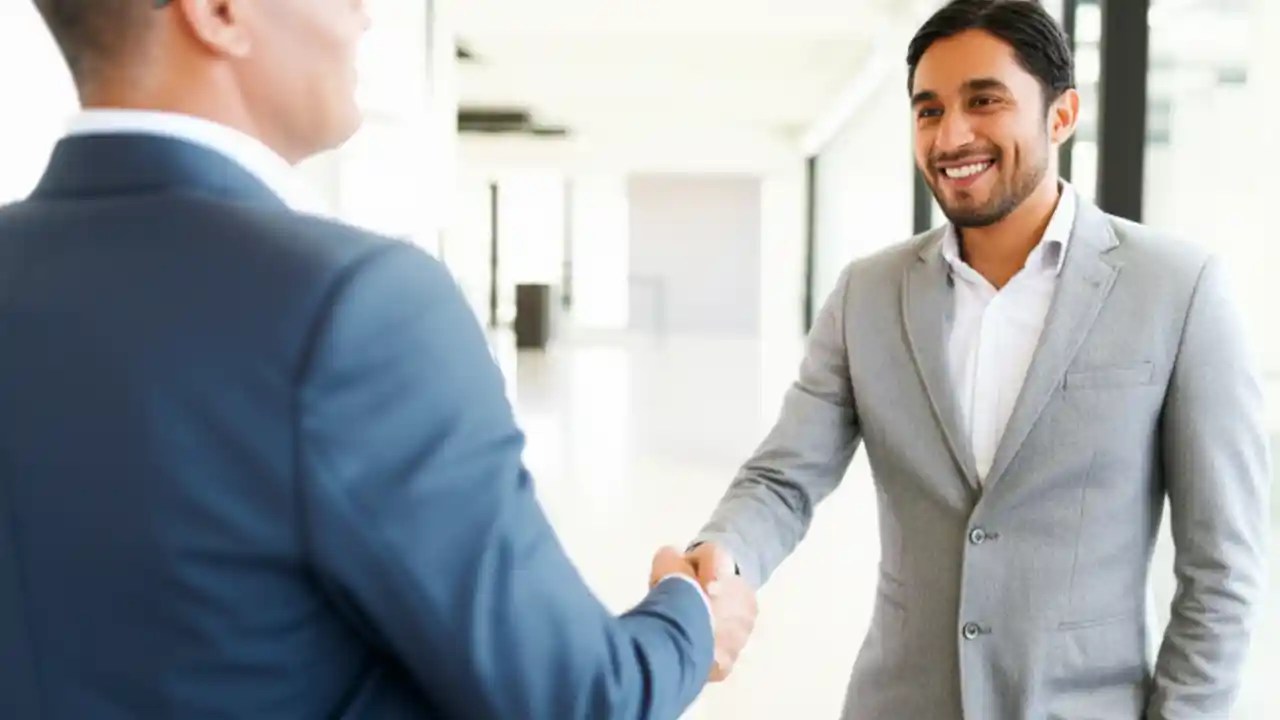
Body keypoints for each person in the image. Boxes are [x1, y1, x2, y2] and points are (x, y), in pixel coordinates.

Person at [0, 1, 755, 718]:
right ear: (220, 12)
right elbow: (576, 697)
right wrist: (692, 616)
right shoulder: (356, 302)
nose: (365, 12)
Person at [685, 0, 1271, 717]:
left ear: (1061, 115)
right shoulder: (868, 293)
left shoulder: (1178, 288)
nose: (951, 135)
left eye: (984, 101)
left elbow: (1222, 569)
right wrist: (723, 557)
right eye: (928, 110)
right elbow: (783, 480)